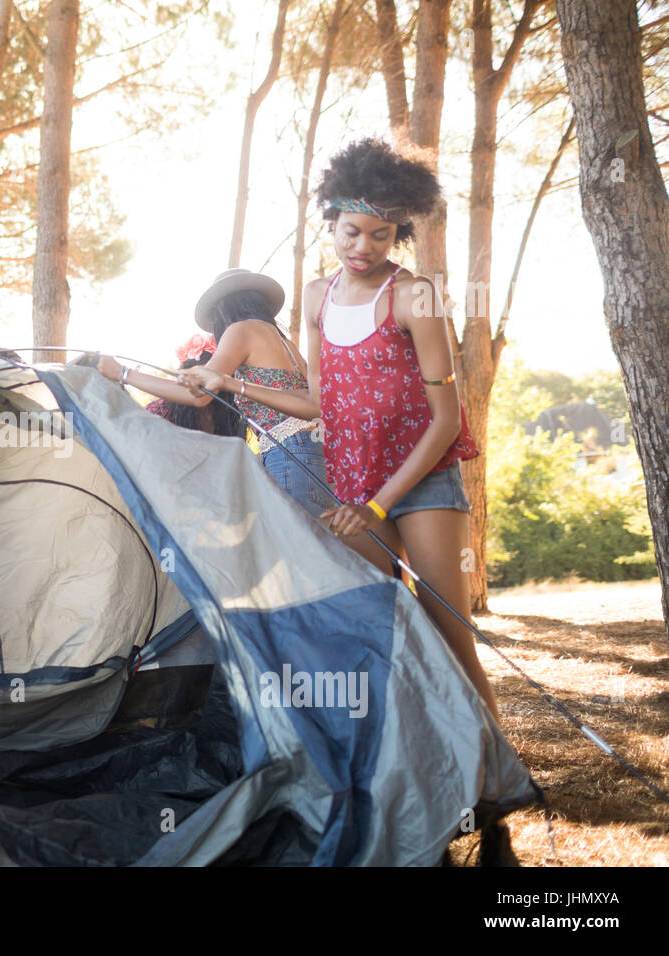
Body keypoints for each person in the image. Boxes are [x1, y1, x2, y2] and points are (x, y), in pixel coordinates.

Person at [180, 137, 498, 721]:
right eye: (351, 231)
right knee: (381, 632)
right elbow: (317, 402)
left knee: (447, 632)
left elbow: (447, 418)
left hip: (418, 480)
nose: (363, 246)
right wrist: (233, 385)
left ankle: (497, 782)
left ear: (398, 231)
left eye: (380, 234)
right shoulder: (317, 298)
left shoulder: (415, 296)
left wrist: (379, 505)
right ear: (331, 222)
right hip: (352, 483)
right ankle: (415, 773)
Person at [96, 269, 334, 515]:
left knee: (289, 550)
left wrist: (123, 374)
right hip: (316, 454)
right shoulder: (287, 343)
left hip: (288, 455)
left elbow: (198, 394)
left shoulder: (240, 330)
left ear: (222, 306)